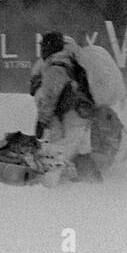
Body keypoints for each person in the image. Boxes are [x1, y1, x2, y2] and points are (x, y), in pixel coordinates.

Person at [33, 31, 98, 183]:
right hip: (82, 115)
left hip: (68, 119)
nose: (42, 50)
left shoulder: (55, 66)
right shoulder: (71, 60)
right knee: (82, 155)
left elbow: (50, 98)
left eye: (43, 46)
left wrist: (41, 121)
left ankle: (51, 193)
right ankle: (95, 187)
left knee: (55, 156)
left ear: (51, 46)